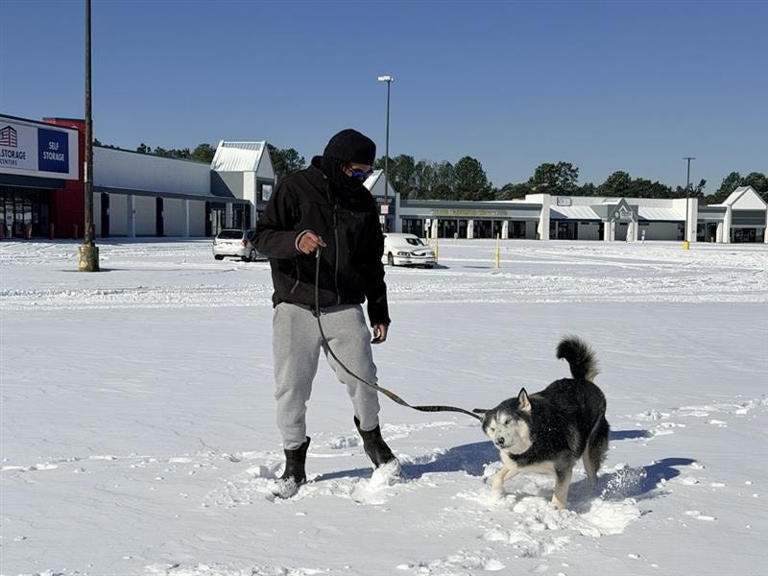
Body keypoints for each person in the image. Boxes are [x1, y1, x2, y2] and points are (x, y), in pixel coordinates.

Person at [255, 128, 398, 498]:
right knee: (291, 389)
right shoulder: (295, 187)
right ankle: (294, 464)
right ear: (337, 163)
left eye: (366, 173)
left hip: (345, 306)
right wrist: (295, 241)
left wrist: (379, 310)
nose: (360, 179)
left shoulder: (363, 203)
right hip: (294, 307)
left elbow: (371, 262)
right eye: (355, 172)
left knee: (364, 380)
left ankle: (373, 440)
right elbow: (262, 236)